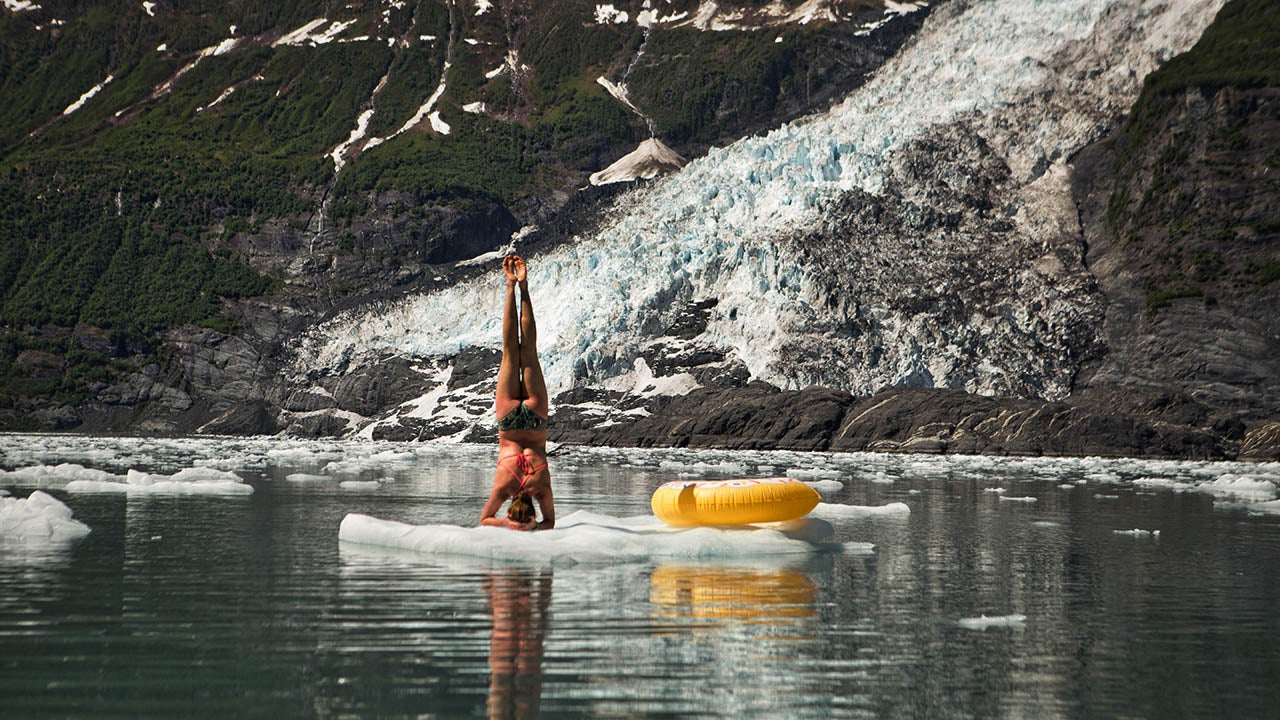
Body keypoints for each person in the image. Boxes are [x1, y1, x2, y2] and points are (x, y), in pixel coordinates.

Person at [481, 254, 555, 531]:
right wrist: (506, 522)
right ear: (511, 510)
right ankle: (511, 286)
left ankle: (522, 287)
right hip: (509, 423)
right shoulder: (504, 487)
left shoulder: (541, 489)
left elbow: (550, 522)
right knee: (511, 351)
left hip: (536, 421)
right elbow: (486, 519)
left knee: (529, 352)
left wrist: (532, 526)